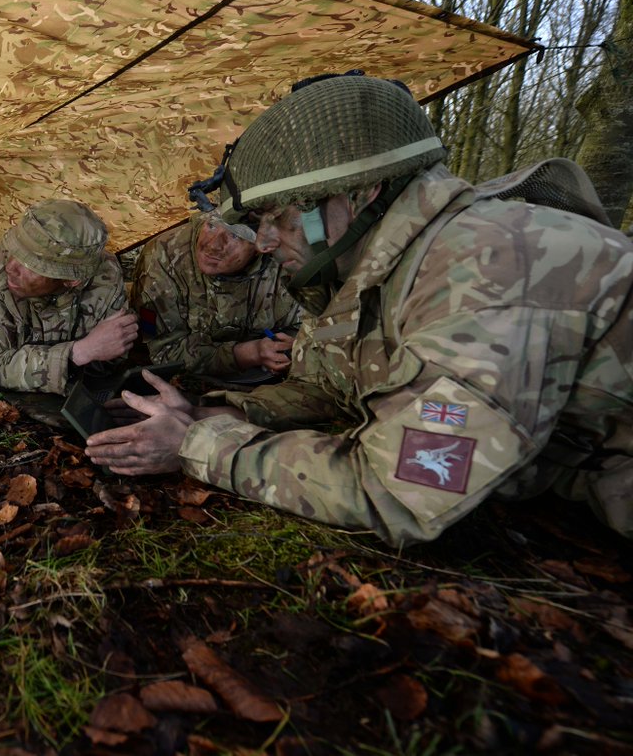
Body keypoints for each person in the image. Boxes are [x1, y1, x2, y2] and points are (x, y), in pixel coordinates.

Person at [86, 74, 632, 546]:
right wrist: (213, 414)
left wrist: (195, 446)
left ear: (360, 195)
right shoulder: (391, 261)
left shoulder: (486, 266)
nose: (269, 243)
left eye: (280, 218)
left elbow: (399, 491)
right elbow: (333, 385)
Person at [0, 198, 138, 395]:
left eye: (31, 264)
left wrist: (98, 349)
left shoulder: (104, 273)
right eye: (14, 250)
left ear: (71, 280)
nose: (11, 266)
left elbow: (110, 358)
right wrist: (78, 352)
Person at [131, 206, 301, 380]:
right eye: (211, 226)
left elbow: (316, 327)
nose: (213, 245)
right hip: (185, 380)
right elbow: (161, 352)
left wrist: (291, 348)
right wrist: (249, 354)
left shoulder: (288, 259)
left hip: (271, 379)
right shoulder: (161, 256)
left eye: (235, 235)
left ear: (260, 246)